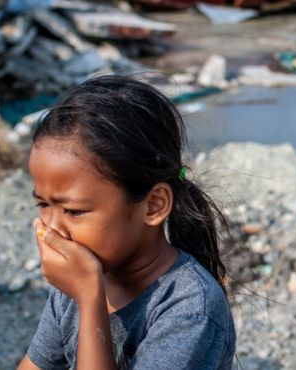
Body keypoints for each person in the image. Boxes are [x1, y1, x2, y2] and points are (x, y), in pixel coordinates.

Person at [17, 75, 236, 369]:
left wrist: (89, 297)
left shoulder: (190, 309)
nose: (51, 230)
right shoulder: (76, 280)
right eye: (43, 205)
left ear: (154, 205)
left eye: (74, 211)